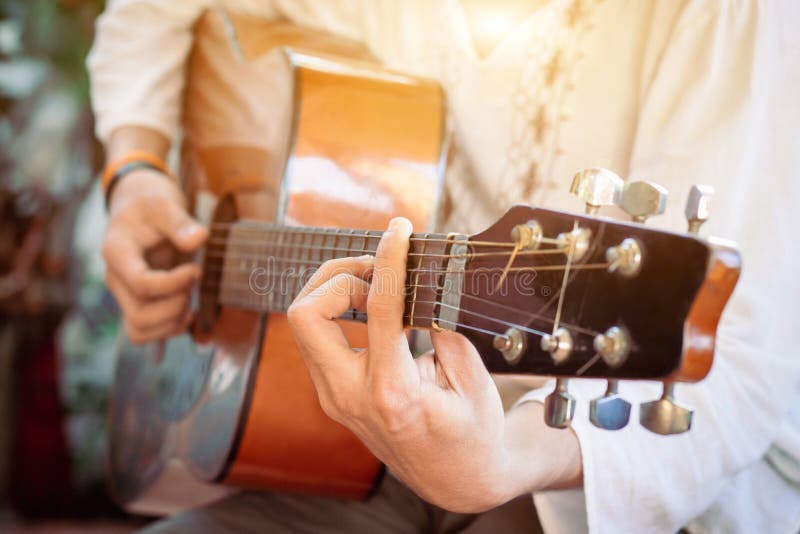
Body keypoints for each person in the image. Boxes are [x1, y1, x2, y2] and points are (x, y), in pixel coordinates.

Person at [88, 1, 800, 532]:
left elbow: (733, 360)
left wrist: (505, 461)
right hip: (362, 443)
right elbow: (147, 13)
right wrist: (138, 169)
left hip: (592, 483)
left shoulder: (727, 16)